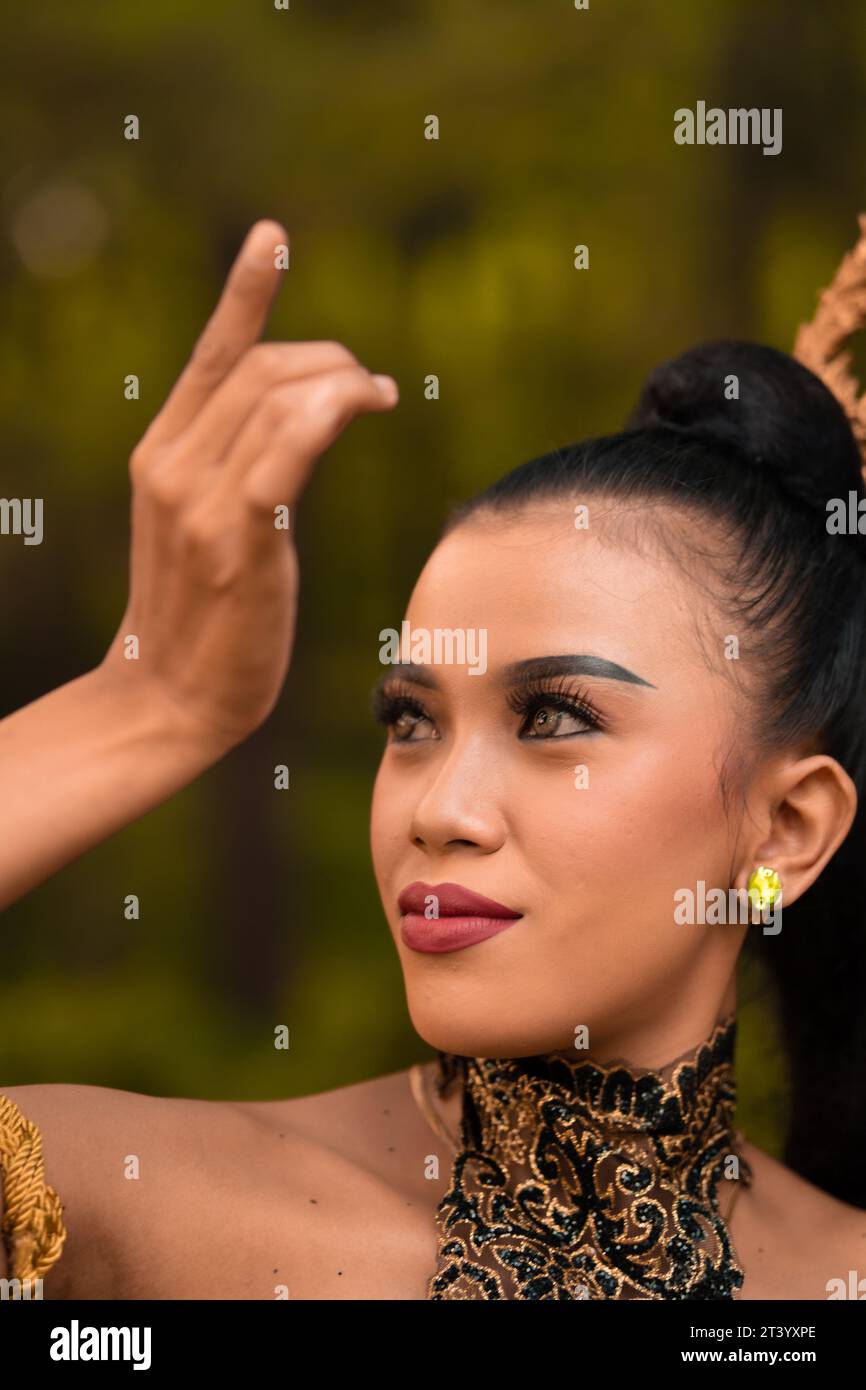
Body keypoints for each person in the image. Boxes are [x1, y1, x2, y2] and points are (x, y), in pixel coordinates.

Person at [2, 218, 866, 1302]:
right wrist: (143, 708)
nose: (438, 809)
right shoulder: (121, 1208)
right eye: (410, 722)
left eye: (552, 718)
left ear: (785, 829)